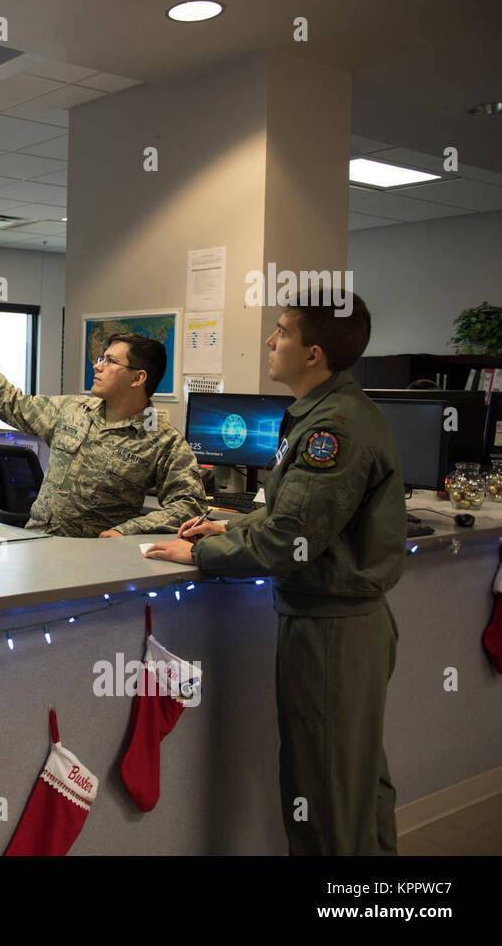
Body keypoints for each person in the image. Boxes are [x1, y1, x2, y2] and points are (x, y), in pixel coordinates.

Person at [144, 291, 405, 855]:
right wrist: (228, 530)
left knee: (325, 790)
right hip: (343, 625)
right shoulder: (332, 412)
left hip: (332, 631)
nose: (270, 340)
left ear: (313, 353)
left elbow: (292, 540)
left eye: (281, 331)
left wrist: (201, 555)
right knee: (354, 784)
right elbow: (292, 511)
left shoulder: (330, 429)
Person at [0, 317, 204, 537]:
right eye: (101, 358)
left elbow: (189, 506)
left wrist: (129, 530)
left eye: (110, 361)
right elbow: (11, 403)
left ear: (138, 378)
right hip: (36, 543)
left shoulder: (162, 440)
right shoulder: (72, 411)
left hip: (91, 562)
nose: (97, 365)